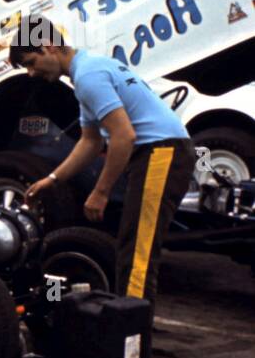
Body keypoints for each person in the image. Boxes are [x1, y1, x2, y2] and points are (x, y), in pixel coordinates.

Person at [16, 17, 195, 308]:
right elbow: (91, 141)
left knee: (138, 254)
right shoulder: (88, 70)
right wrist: (52, 179)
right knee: (132, 247)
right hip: (161, 152)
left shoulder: (88, 76)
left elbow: (123, 135)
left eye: (31, 61)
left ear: (48, 46)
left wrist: (101, 191)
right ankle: (129, 328)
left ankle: (133, 342)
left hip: (162, 153)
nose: (31, 72)